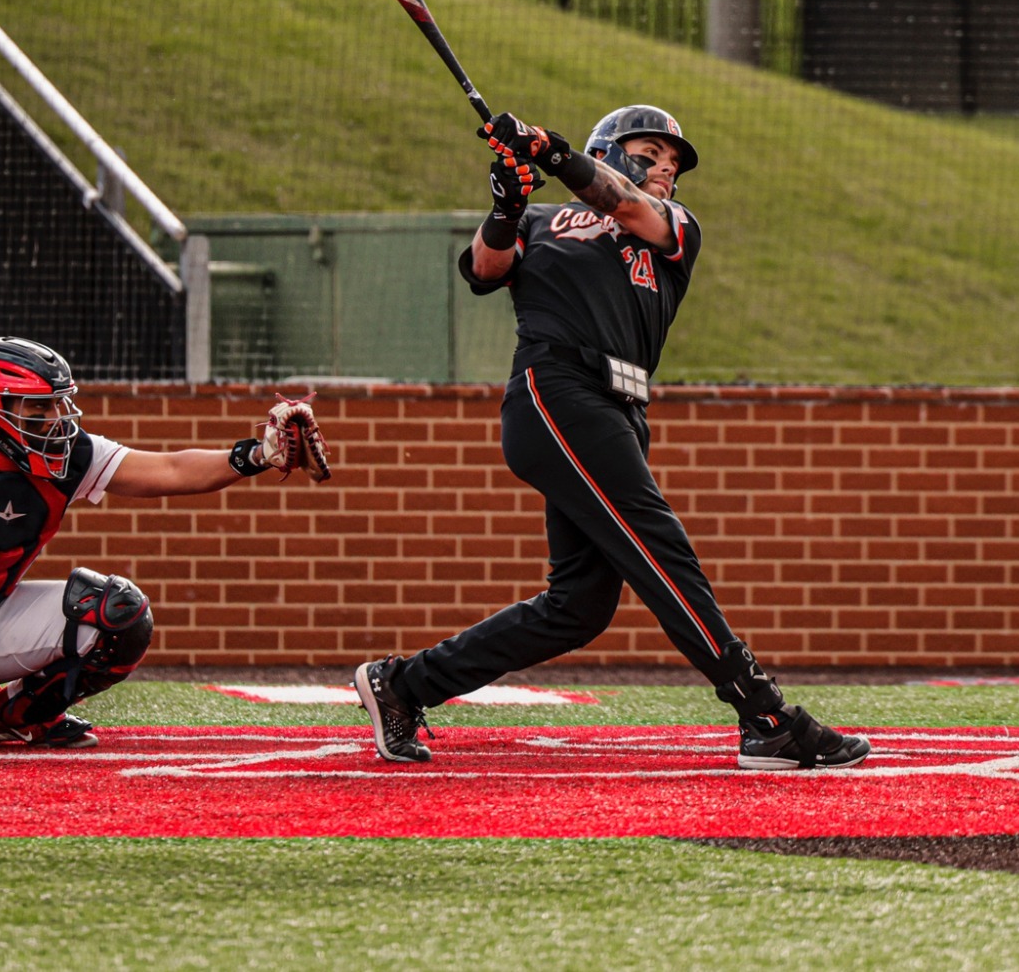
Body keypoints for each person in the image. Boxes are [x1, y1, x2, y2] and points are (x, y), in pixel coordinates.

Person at [352, 105, 870, 770]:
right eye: (651, 152)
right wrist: (509, 202)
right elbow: (483, 270)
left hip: (620, 407)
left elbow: (619, 200)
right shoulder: (544, 222)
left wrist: (551, 152)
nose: (666, 169)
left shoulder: (672, 226)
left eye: (673, 162)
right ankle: (765, 715)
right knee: (661, 548)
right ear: (613, 148)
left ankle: (405, 684)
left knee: (579, 605)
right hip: (558, 387)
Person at [0, 335, 330, 752]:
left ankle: (14, 716)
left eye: (60, 405)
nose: (57, 420)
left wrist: (257, 455)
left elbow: (170, 469)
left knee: (120, 612)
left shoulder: (71, 456)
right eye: (39, 407)